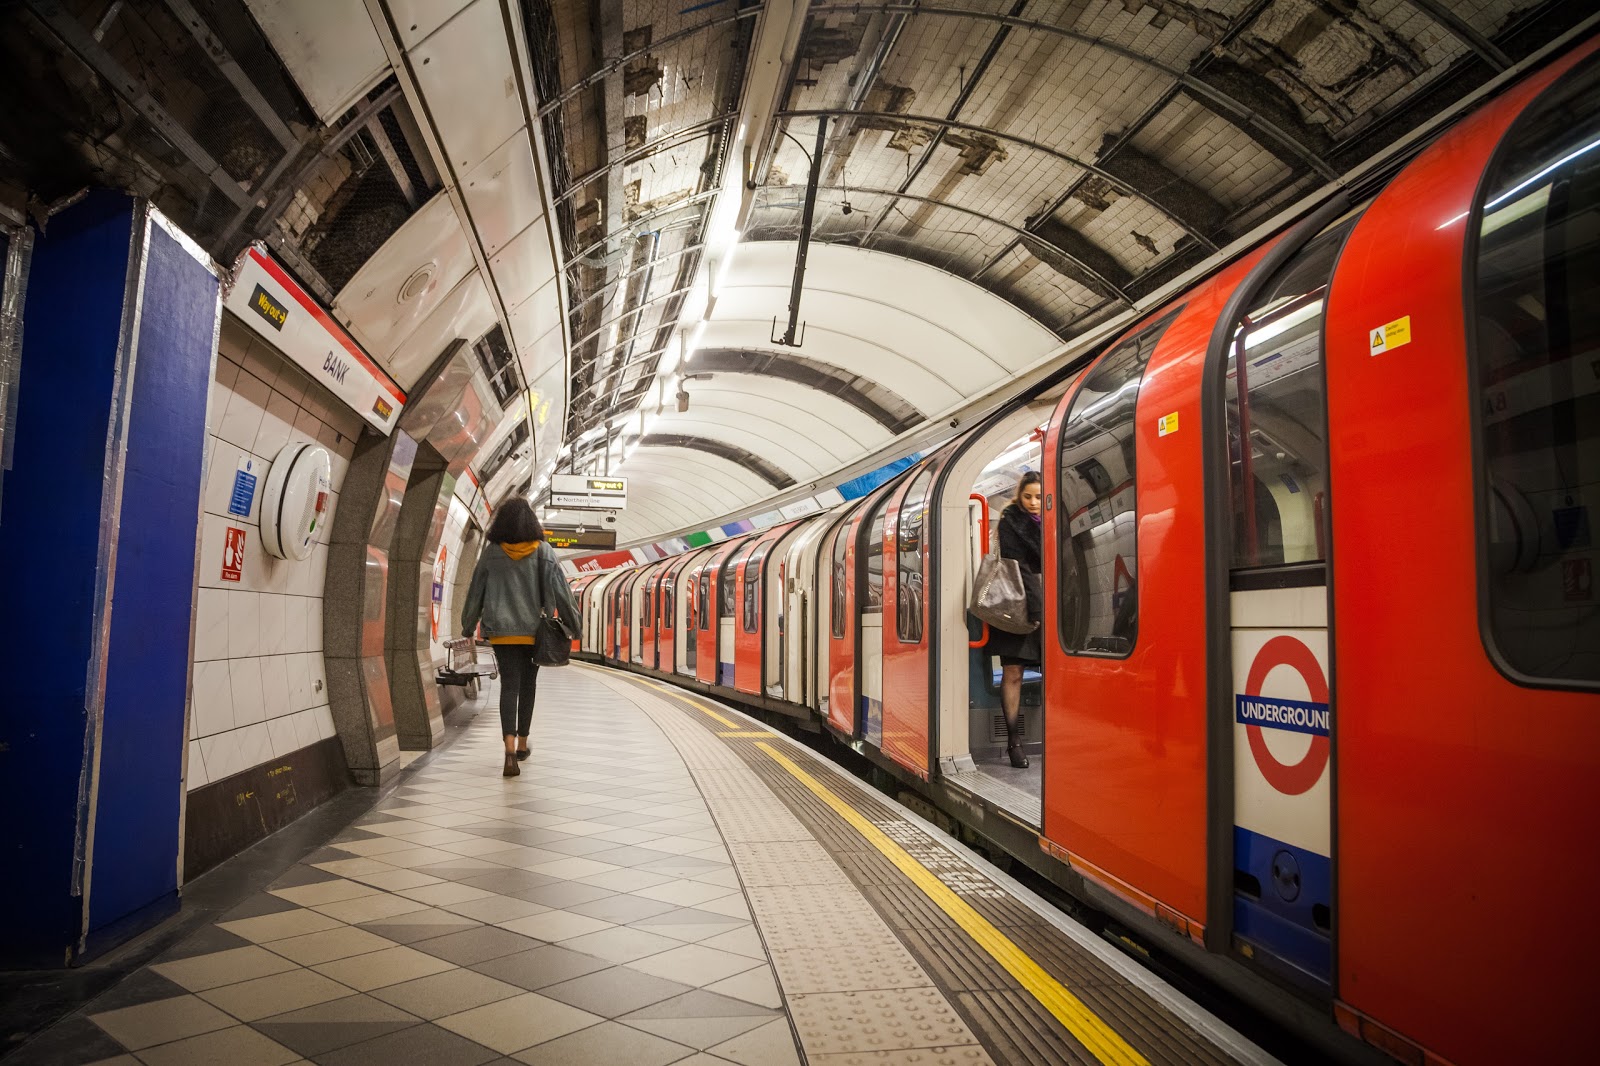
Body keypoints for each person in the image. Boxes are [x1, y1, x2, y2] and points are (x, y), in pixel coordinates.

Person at [459, 498, 578, 777]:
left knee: (509, 687)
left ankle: (509, 750)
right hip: (534, 632)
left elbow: (476, 591)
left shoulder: (491, 553)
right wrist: (574, 625)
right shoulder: (544, 552)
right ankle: (523, 744)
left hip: (501, 633)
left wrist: (468, 625)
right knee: (528, 686)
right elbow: (562, 592)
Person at [986, 471, 1043, 769]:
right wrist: (1037, 610)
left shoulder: (1054, 520)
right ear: (1019, 496)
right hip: (1017, 606)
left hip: (1045, 605)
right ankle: (1013, 742)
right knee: (1013, 674)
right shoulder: (1011, 521)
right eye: (1027, 496)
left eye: (1038, 496)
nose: (1033, 502)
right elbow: (1018, 568)